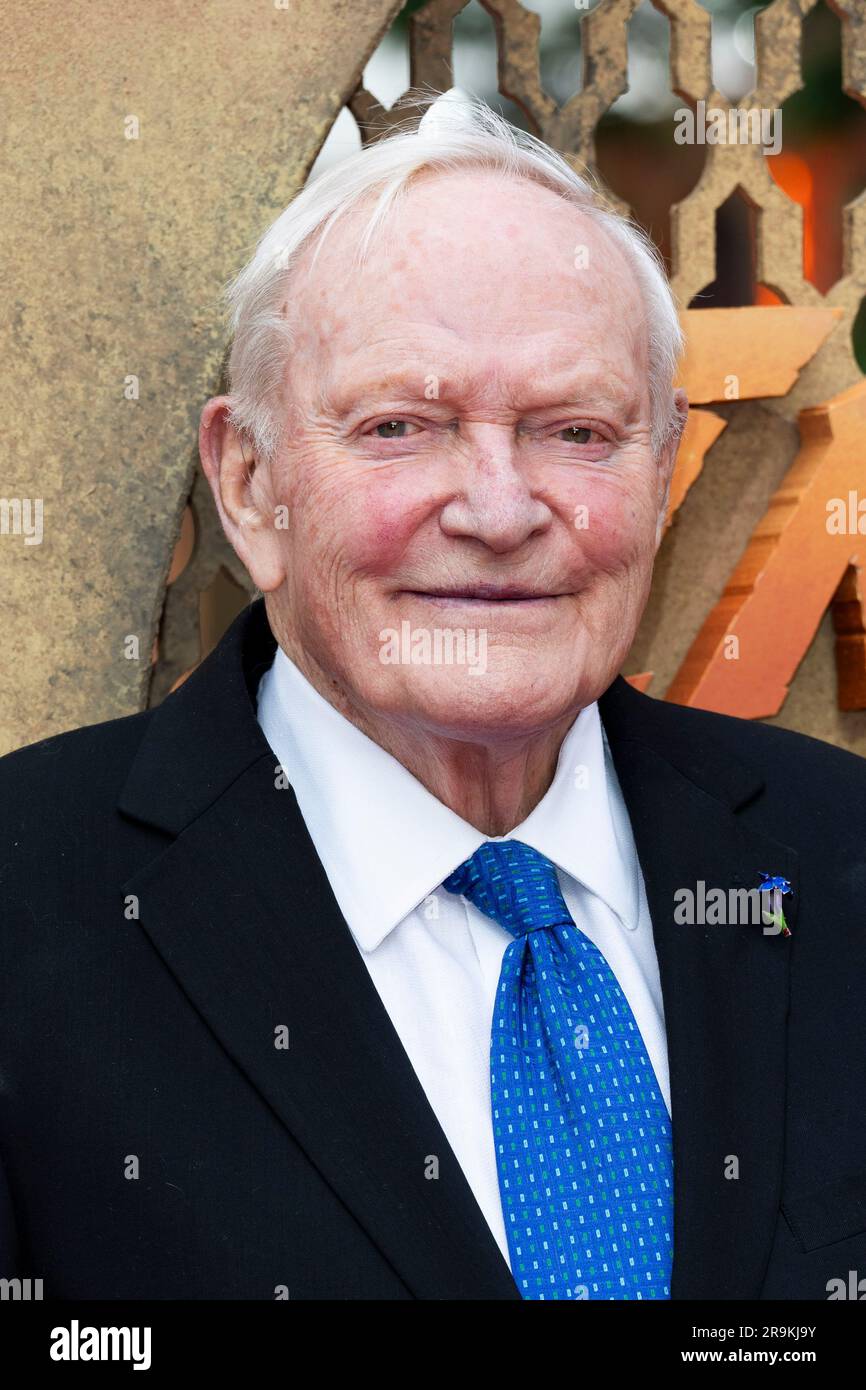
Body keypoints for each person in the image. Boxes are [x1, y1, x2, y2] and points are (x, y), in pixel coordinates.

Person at [1, 89, 865, 1301]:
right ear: (249, 485)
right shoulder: (26, 901)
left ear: (664, 465)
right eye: (401, 426)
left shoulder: (835, 858)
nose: (499, 510)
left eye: (574, 430)